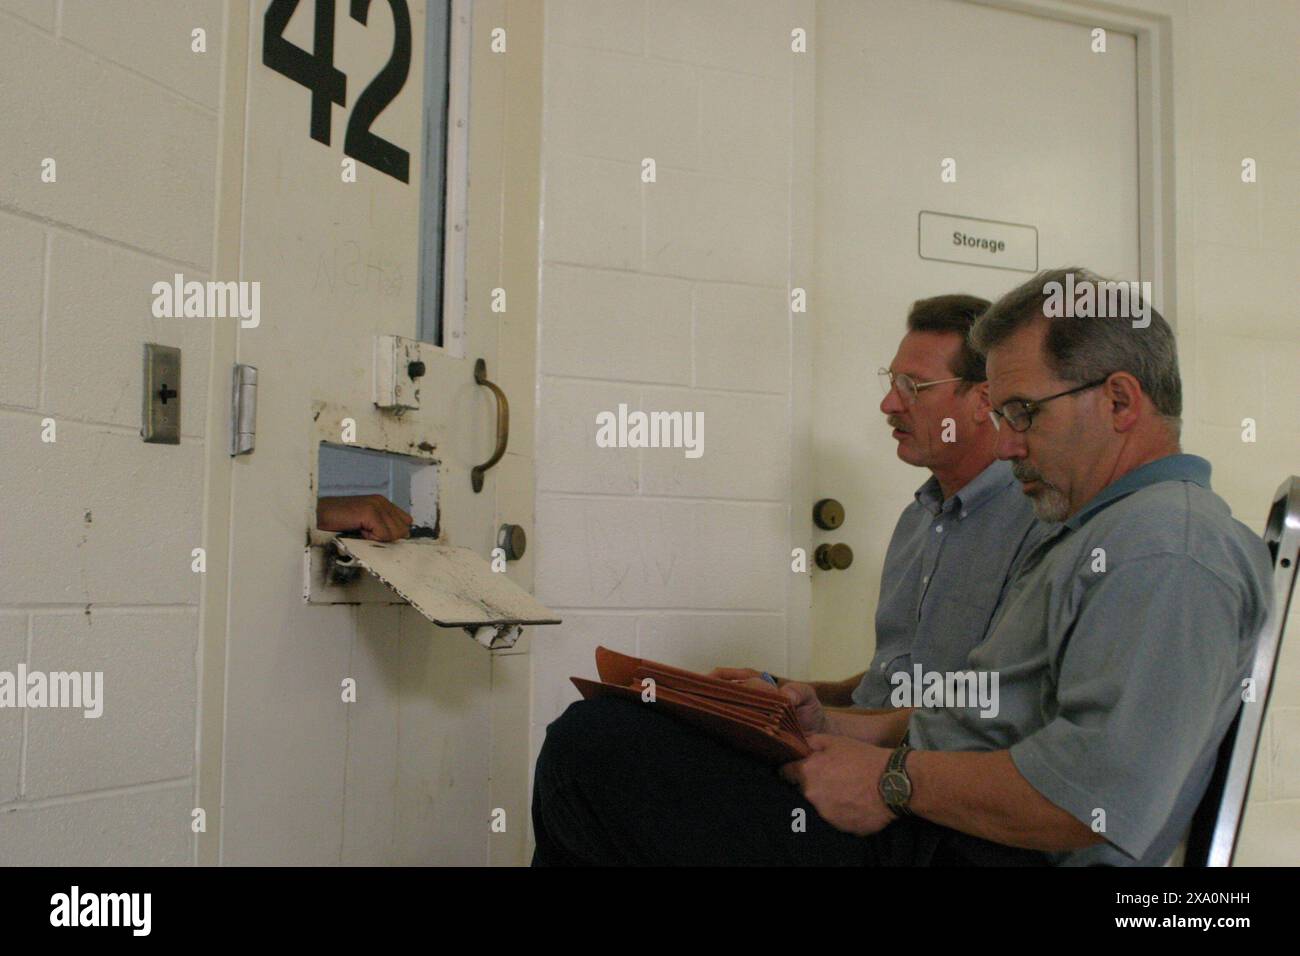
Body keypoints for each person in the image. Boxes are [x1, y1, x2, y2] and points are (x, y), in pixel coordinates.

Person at [531, 267, 1272, 866]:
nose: (1009, 443)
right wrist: (843, 728)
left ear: (1118, 400)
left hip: (974, 849)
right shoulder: (1093, 532)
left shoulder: (1168, 550)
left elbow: (1095, 798)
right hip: (943, 821)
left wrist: (893, 780)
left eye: (1023, 414)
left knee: (594, 752)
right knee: (620, 729)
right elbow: (992, 716)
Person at [716, 294, 1044, 710]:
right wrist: (785, 692)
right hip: (864, 745)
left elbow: (986, 711)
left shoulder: (1036, 522)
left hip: (916, 768)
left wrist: (829, 728)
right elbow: (890, 685)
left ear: (983, 401)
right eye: (891, 383)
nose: (889, 404)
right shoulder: (918, 519)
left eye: (914, 387)